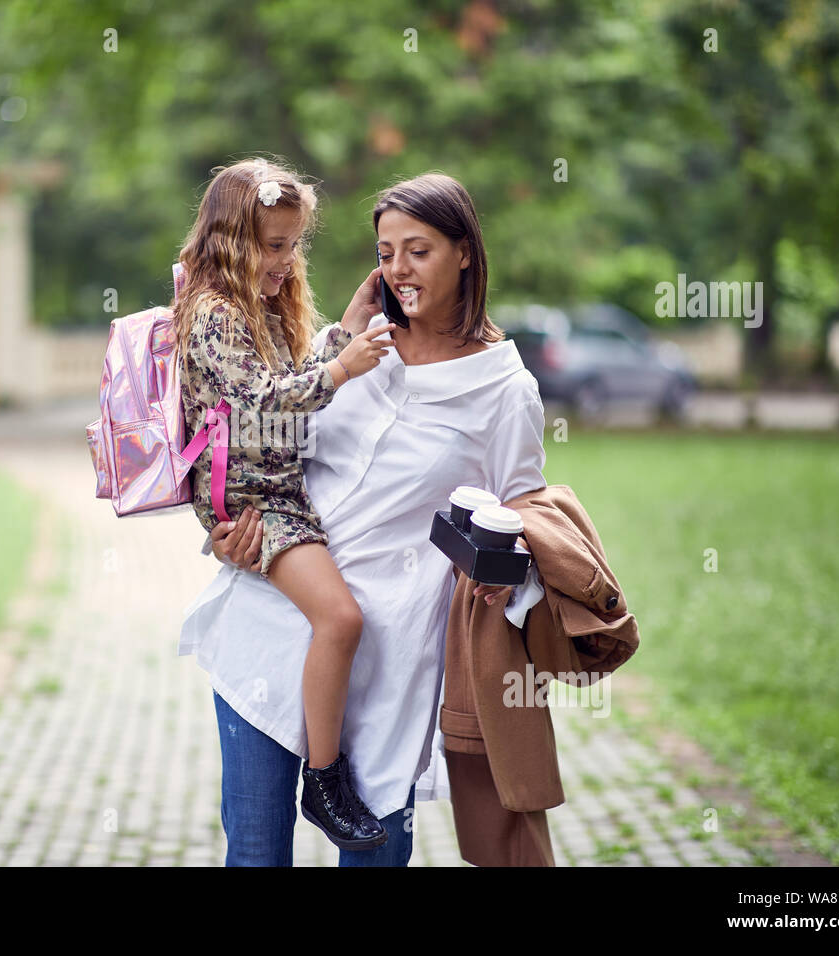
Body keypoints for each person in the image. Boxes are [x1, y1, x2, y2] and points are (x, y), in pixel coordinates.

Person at [180, 171, 549, 866]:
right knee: (256, 854)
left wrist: (505, 587)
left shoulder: (504, 389)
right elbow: (258, 444)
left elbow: (524, 518)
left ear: (465, 251)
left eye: (419, 250)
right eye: (385, 252)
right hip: (271, 626)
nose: (398, 269)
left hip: (390, 660)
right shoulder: (350, 349)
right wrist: (227, 536)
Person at [174, 158, 399, 850]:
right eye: (274, 246)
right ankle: (324, 781)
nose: (287, 260)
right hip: (253, 503)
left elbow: (282, 382)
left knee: (336, 617)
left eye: (295, 243)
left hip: (274, 490)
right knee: (339, 616)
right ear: (233, 243)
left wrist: (342, 331)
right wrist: (341, 368)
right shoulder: (214, 315)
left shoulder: (258, 310)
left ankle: (324, 774)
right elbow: (260, 404)